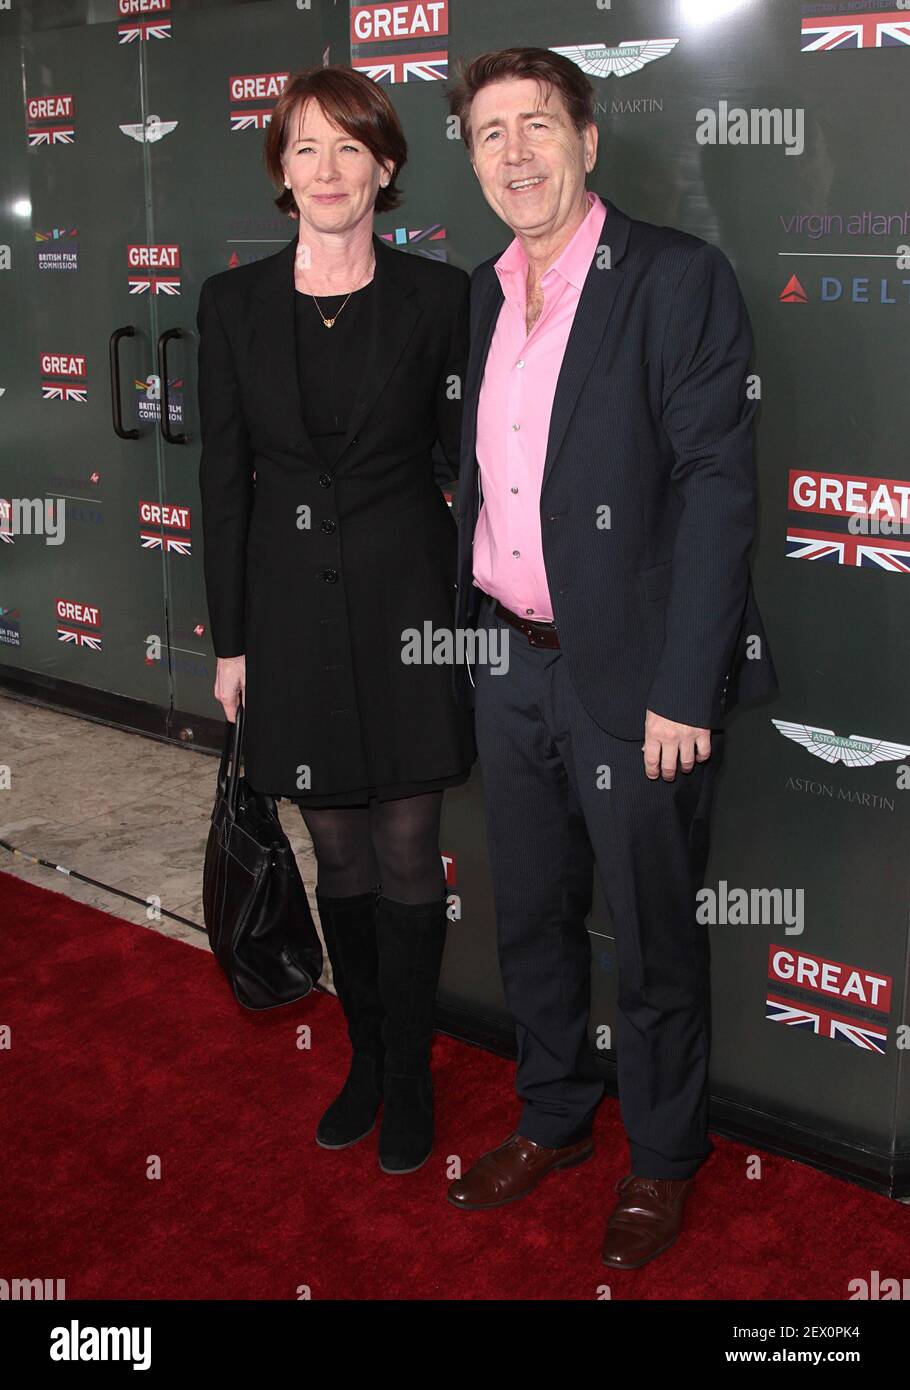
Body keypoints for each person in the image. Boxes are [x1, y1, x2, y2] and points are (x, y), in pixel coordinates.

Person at [445, 48, 778, 1266]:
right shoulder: (482, 293)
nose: (515, 151)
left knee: (649, 931)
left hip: (638, 681)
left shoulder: (675, 277)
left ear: (589, 137)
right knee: (530, 913)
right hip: (508, 660)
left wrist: (687, 685)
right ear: (469, 158)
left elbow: (715, 492)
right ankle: (551, 1119)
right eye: (489, 133)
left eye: (538, 124)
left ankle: (661, 1157)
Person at [196, 65, 475, 1176]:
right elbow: (226, 482)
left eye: (349, 149)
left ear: (386, 167)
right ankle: (366, 1055)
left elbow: (472, 462)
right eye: (305, 149)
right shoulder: (230, 305)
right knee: (340, 858)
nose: (327, 171)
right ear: (281, 169)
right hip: (290, 628)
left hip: (406, 614)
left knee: (411, 855)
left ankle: (409, 1074)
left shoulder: (440, 298)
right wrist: (230, 641)